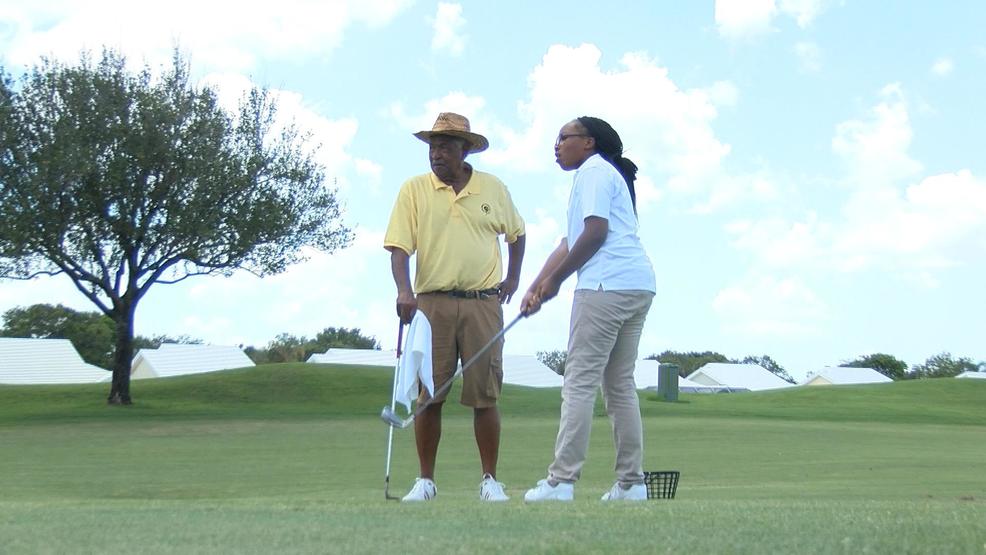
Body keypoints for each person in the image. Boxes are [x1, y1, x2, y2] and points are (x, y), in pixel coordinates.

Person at [384, 112, 526, 502]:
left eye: (445, 146)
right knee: (429, 394)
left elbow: (517, 233)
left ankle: (490, 480)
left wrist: (513, 278)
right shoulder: (414, 190)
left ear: (465, 149)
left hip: (483, 302)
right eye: (432, 146)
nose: (436, 153)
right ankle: (425, 481)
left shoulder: (492, 188)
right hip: (431, 304)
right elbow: (398, 248)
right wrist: (403, 290)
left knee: (485, 395)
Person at [521, 116, 656, 502]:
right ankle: (632, 484)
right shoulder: (602, 174)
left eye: (564, 137)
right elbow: (570, 241)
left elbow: (594, 233)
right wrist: (537, 284)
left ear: (589, 143)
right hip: (636, 285)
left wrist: (556, 282)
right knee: (618, 385)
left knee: (579, 382)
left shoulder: (593, 173)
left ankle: (561, 481)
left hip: (605, 286)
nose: (557, 145)